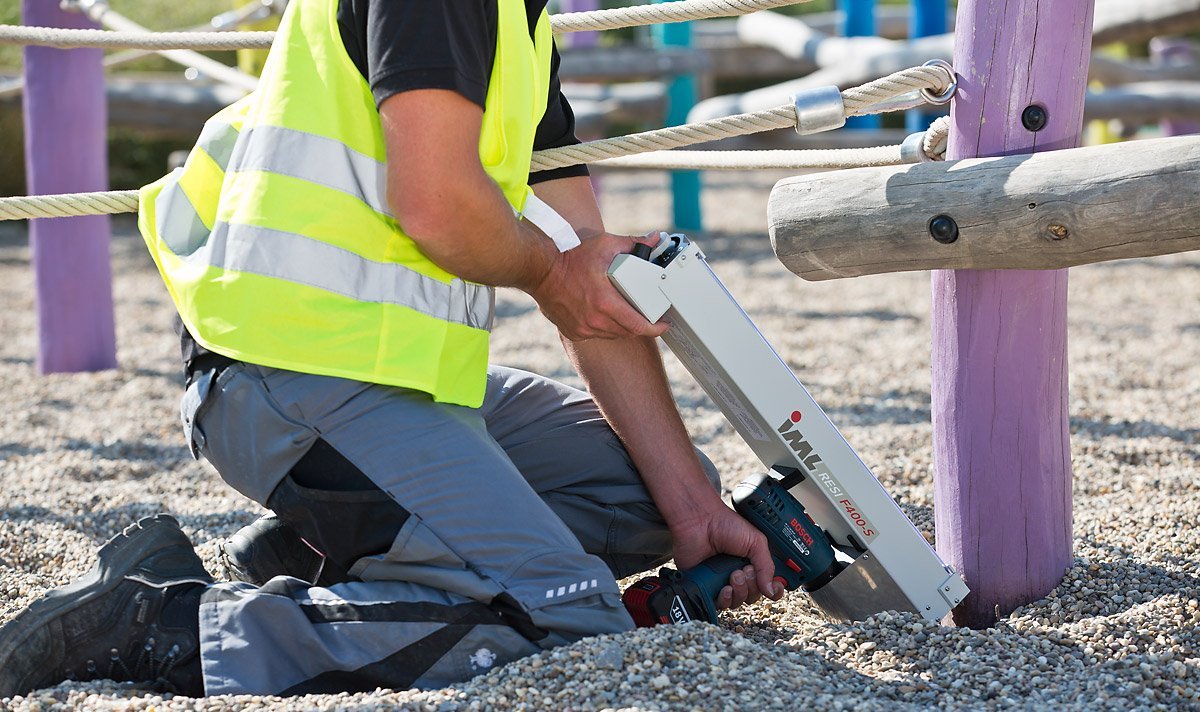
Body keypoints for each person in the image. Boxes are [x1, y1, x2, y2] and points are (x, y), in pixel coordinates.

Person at [0, 0, 781, 698]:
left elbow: (587, 274)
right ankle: (155, 623)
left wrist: (694, 511)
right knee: (567, 622)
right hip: (288, 369)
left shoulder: (522, 26)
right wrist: (552, 273)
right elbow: (440, 209)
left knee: (641, 494)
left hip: (391, 376)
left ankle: (320, 555)